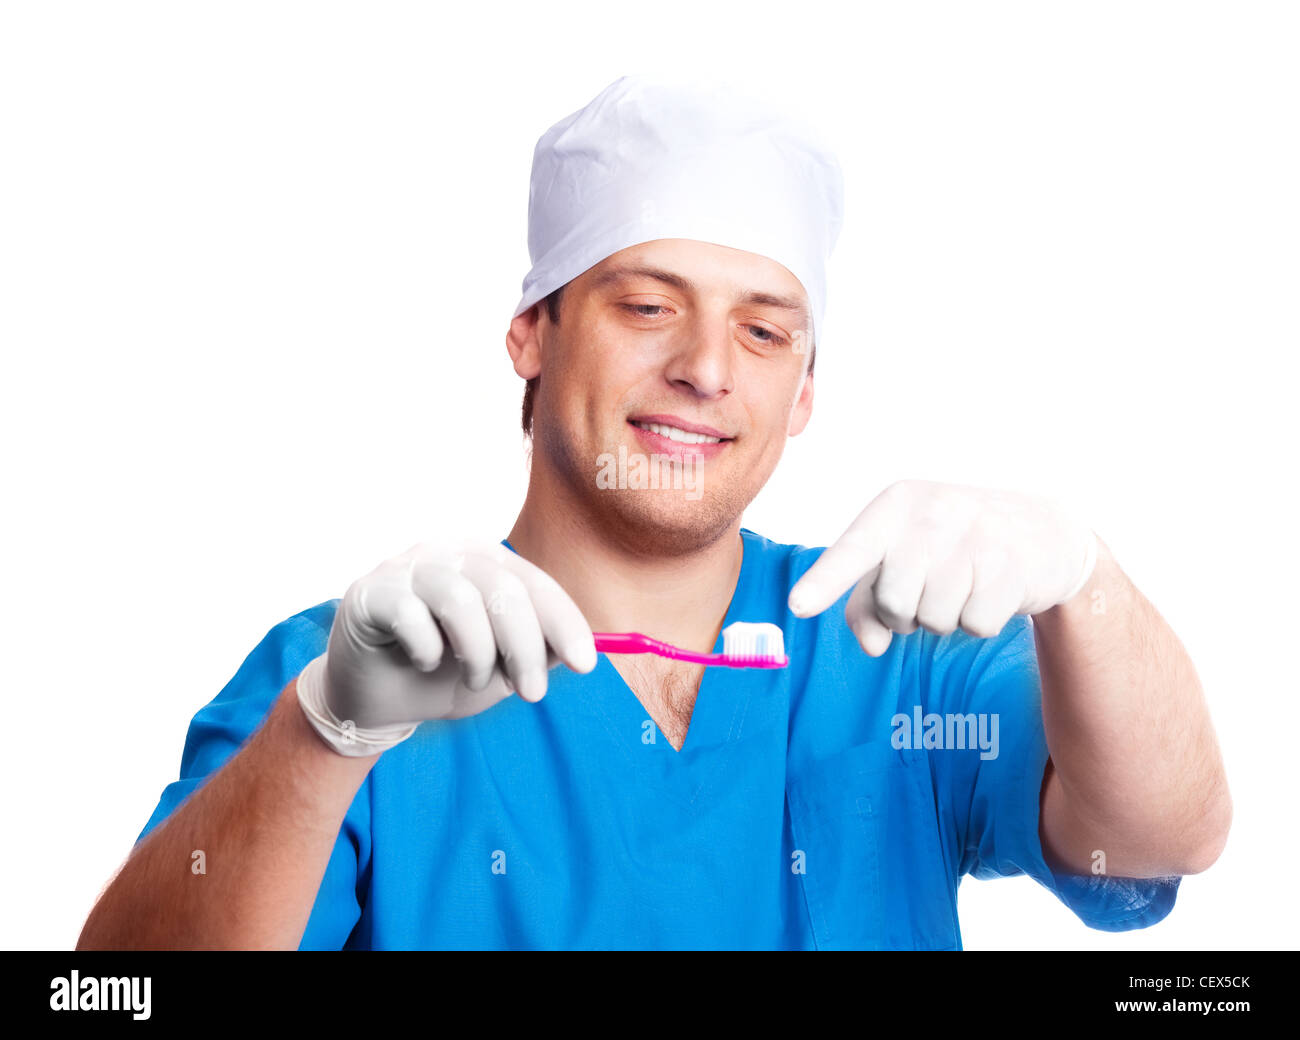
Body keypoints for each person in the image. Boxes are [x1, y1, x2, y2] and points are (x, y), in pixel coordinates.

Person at [77, 73, 1230, 951]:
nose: (707, 368)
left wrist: (1086, 583)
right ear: (531, 331)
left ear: (805, 389)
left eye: (765, 330)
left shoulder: (900, 660)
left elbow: (1160, 838)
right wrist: (326, 730)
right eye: (645, 304)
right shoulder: (356, 670)